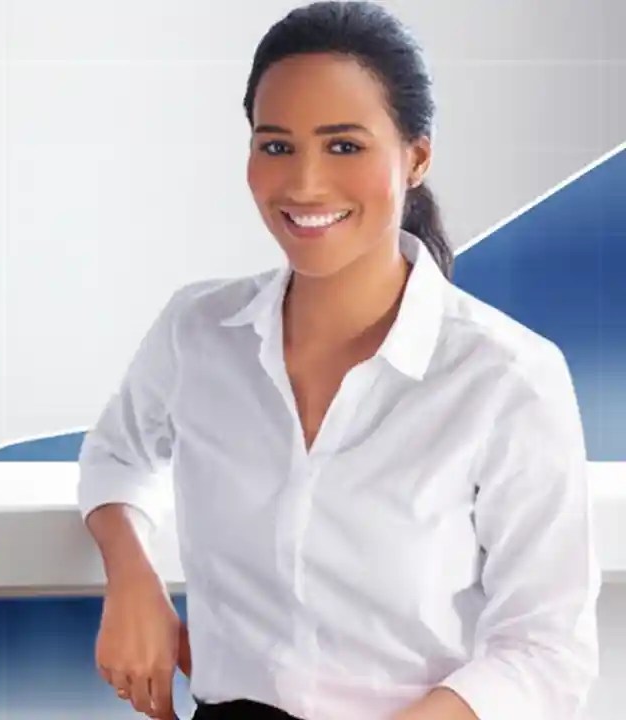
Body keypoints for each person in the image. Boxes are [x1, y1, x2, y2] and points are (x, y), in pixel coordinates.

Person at [76, 2, 600, 719]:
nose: (304, 185)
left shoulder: (506, 378)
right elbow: (117, 453)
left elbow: (549, 648)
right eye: (277, 145)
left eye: (344, 146)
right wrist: (131, 572)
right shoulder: (198, 330)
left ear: (416, 157)